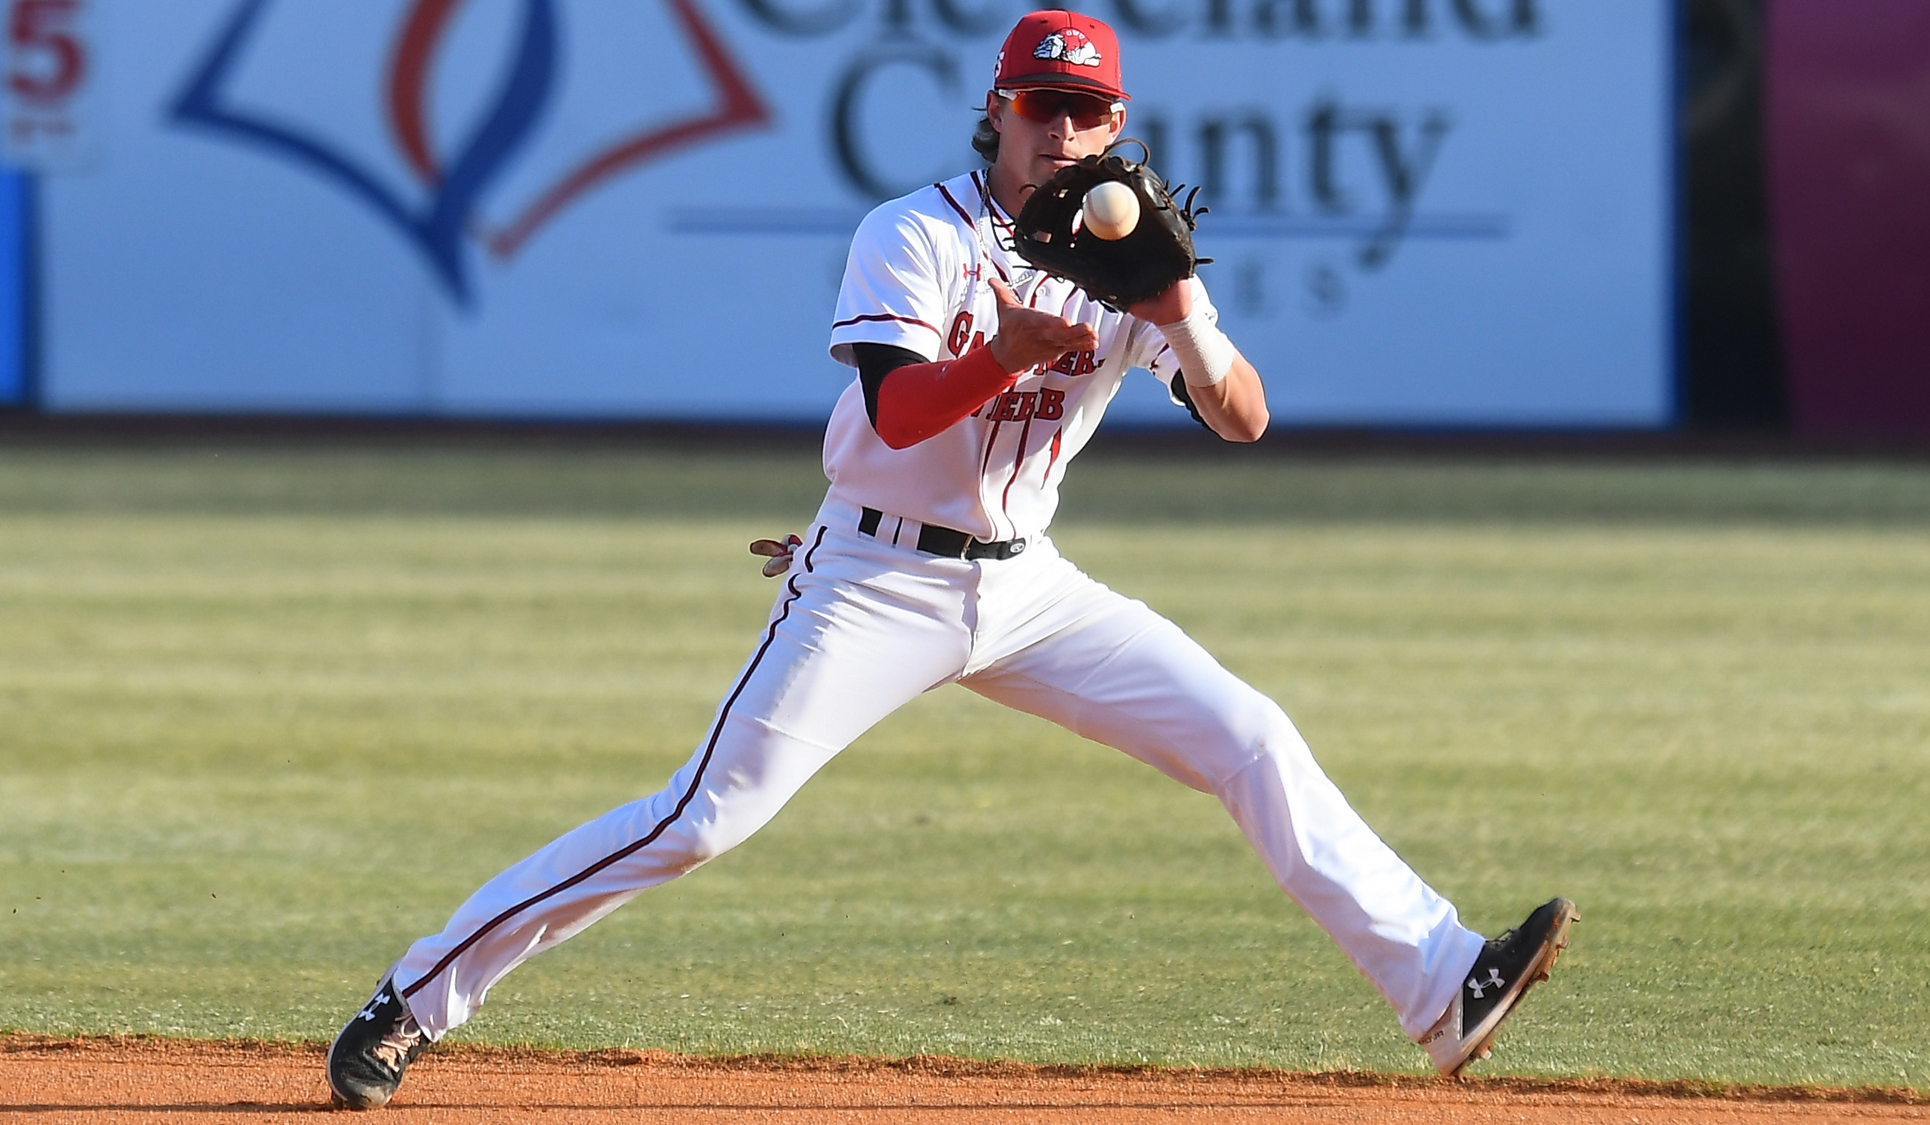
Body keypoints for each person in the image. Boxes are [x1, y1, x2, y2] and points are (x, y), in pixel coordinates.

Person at [324, 11, 1575, 1111]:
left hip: (1028, 588)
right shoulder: (911, 234)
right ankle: (412, 999)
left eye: (1086, 112)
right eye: (1042, 108)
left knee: (1247, 736)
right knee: (705, 819)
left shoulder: (1130, 261)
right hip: (872, 580)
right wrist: (1005, 353)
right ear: (998, 113)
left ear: (1114, 123)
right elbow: (894, 415)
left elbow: (1244, 417)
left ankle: (1441, 986)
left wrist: (1180, 311)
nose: (1063, 134)